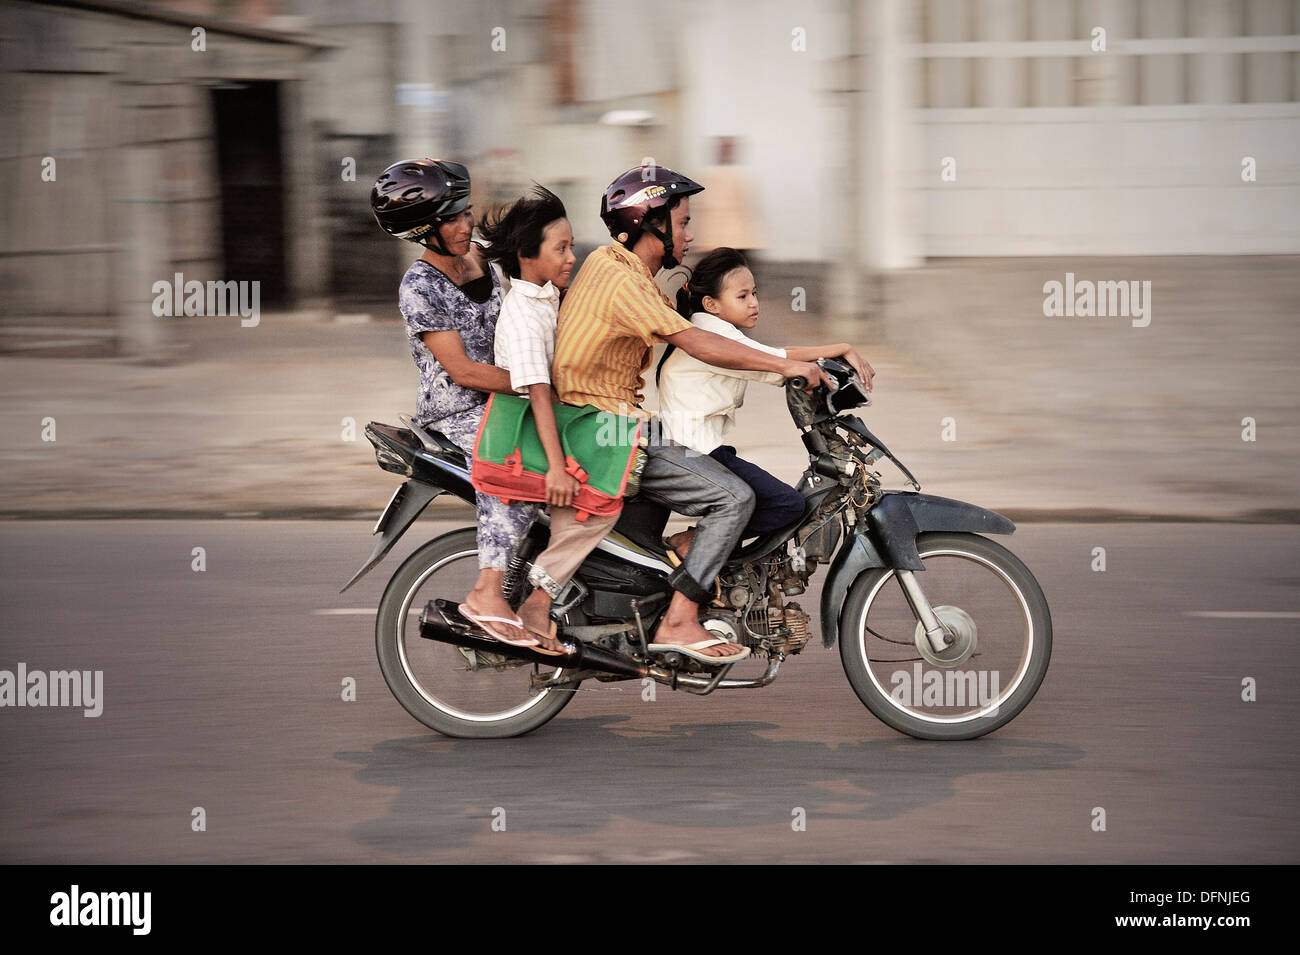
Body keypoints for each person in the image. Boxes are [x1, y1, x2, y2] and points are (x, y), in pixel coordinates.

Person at [551, 163, 829, 666]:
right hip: (605, 427)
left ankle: (685, 572)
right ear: (650, 224)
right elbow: (701, 342)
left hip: (615, 422)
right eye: (681, 222)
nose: (689, 233)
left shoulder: (623, 273)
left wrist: (804, 357)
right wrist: (786, 364)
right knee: (734, 498)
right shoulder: (619, 278)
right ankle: (681, 619)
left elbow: (714, 340)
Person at [370, 157, 537, 647]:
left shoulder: (483, 255)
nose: (467, 223)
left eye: (465, 212)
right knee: (514, 472)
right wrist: (538, 382)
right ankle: (488, 592)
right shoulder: (419, 288)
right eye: (455, 218)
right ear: (426, 229)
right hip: (460, 412)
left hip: (509, 392)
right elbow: (462, 371)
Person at [656, 247, 875, 558]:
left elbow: (772, 353)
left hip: (699, 447)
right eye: (742, 296)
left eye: (754, 293)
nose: (754, 303)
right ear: (710, 304)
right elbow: (774, 359)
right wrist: (840, 347)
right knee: (786, 504)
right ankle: (693, 542)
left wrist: (830, 353)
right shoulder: (710, 336)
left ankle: (715, 551)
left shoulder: (710, 329)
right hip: (698, 453)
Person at [478, 185, 618, 654]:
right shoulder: (523, 314)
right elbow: (537, 393)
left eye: (571, 246)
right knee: (601, 500)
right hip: (531, 434)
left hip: (563, 420)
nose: (571, 257)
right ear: (526, 254)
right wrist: (557, 468)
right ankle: (539, 601)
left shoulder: (548, 297)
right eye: (560, 248)